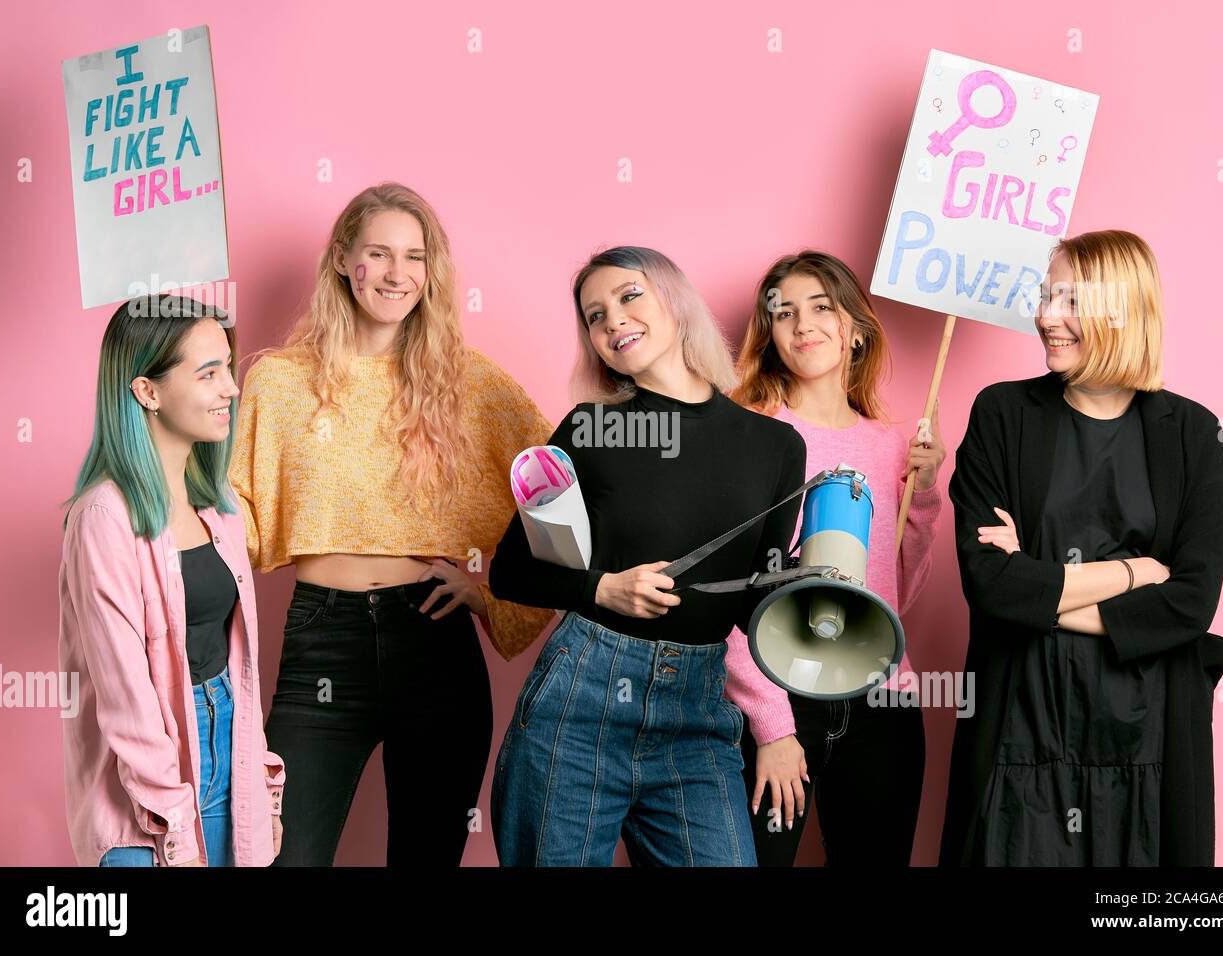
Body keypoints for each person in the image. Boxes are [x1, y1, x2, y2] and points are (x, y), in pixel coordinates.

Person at [229, 182, 553, 866]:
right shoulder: (278, 383)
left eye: (414, 256)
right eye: (380, 253)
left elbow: (558, 487)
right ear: (346, 260)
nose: (398, 273)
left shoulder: (469, 384)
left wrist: (491, 600)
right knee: (279, 853)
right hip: (323, 640)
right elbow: (232, 520)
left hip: (433, 639)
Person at [488, 245, 807, 866]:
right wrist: (603, 588)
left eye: (629, 297)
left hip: (699, 712)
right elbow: (509, 569)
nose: (613, 321)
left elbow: (756, 601)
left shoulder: (774, 447)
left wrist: (816, 596)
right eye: (594, 316)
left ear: (675, 301)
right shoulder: (590, 429)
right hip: (580, 703)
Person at [939, 230, 1223, 865]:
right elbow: (990, 585)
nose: (1046, 316)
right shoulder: (1002, 413)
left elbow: (1189, 602)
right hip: (1022, 719)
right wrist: (1134, 573)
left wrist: (1038, 590)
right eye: (1046, 296)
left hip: (1149, 727)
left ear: (1124, 308)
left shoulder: (1192, 433)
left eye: (1069, 300)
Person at [727, 250, 944, 866]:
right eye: (784, 313)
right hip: (777, 694)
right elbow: (736, 594)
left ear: (856, 330)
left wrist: (923, 497)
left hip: (882, 699)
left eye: (822, 307)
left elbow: (898, 591)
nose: (804, 325)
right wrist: (772, 728)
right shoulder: (752, 434)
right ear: (769, 336)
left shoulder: (890, 443)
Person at [59, 294, 284, 867]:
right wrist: (174, 827)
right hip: (144, 796)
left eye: (227, 370)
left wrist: (263, 791)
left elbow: (242, 666)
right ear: (147, 391)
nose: (231, 389)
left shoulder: (222, 507)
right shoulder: (103, 517)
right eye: (208, 373)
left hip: (229, 754)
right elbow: (126, 700)